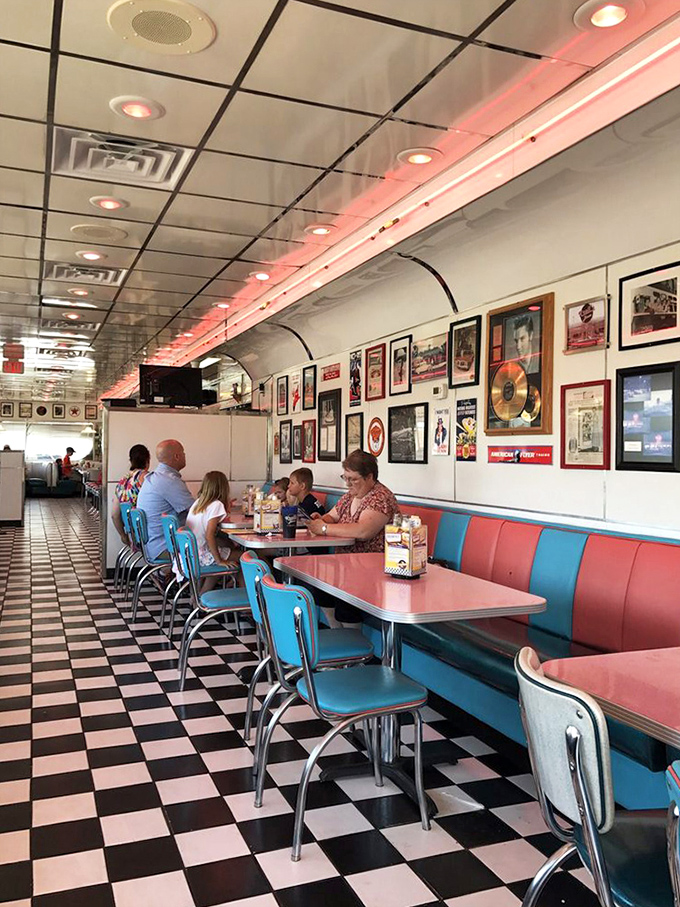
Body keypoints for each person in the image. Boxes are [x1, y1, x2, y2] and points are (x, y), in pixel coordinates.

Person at [307, 449, 399, 626]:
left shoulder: (380, 497)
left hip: (373, 569)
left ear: (369, 477)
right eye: (345, 478)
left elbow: (363, 531)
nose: (348, 484)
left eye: (353, 479)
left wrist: (325, 528)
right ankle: (339, 633)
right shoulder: (350, 496)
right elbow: (332, 516)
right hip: (347, 566)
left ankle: (353, 642)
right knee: (319, 587)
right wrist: (321, 519)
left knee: (345, 600)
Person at [136, 439, 194, 562]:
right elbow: (196, 511)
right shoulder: (169, 480)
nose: (185, 456)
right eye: (183, 453)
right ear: (177, 456)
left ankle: (197, 581)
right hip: (165, 547)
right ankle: (199, 580)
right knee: (219, 547)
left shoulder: (156, 477)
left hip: (152, 544)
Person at [185, 471, 239, 591]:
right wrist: (219, 560)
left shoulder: (198, 502)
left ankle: (200, 596)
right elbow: (210, 535)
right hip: (202, 555)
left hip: (192, 553)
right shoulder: (216, 505)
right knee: (245, 558)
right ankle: (246, 601)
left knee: (226, 548)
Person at [111, 444, 150, 545]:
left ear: (130, 460)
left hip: (131, 534)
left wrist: (123, 535)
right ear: (147, 460)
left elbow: (115, 515)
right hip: (146, 534)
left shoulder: (122, 482)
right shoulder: (148, 478)